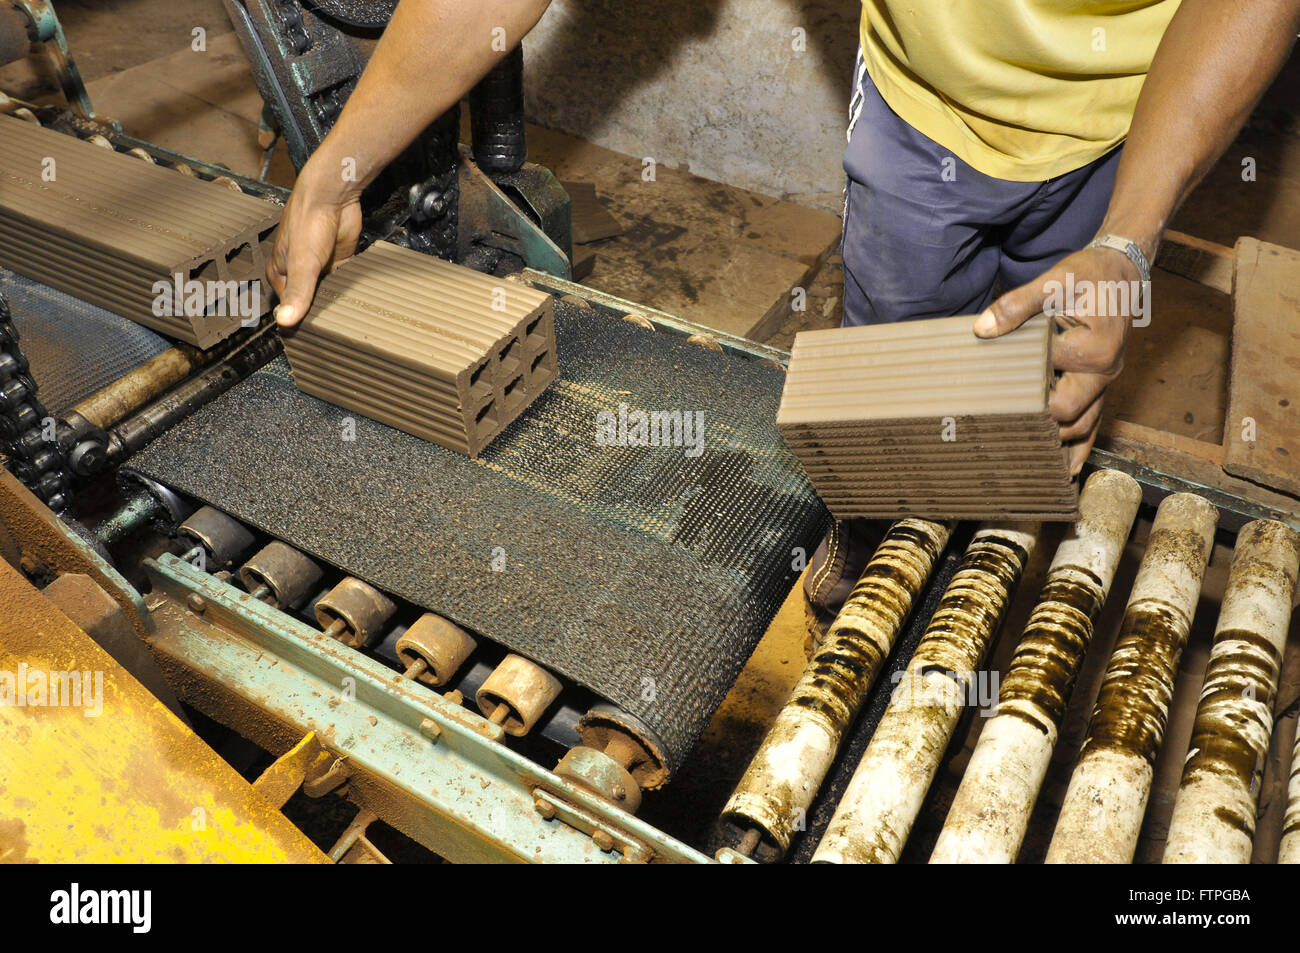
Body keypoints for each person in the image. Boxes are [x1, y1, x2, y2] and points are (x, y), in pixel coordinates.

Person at [264, 1, 1300, 634]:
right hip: (919, 102)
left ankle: (983, 562)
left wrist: (1125, 241)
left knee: (1039, 384)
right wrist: (335, 169)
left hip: (1127, 108)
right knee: (884, 376)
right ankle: (862, 536)